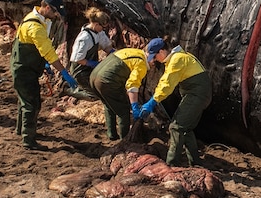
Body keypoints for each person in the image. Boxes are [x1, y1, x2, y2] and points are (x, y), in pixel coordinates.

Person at [11, 0, 78, 151]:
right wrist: (64, 72)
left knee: (24, 100)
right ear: (47, 7)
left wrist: (44, 64)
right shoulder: (35, 27)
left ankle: (21, 130)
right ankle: (28, 140)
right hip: (24, 69)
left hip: (27, 66)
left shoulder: (37, 18)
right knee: (31, 103)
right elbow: (48, 51)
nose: (56, 16)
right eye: (55, 12)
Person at [134, 38, 212, 167]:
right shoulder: (178, 57)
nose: (154, 60)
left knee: (176, 127)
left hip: (196, 95)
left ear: (162, 51)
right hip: (197, 95)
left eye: (155, 56)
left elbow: (167, 84)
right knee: (186, 128)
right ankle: (195, 162)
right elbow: (166, 82)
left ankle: (171, 163)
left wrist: (152, 102)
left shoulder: (177, 59)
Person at [90, 44, 151, 142]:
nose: (153, 63)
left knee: (109, 105)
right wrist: (134, 106)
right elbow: (132, 86)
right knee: (123, 112)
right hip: (106, 81)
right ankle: (125, 140)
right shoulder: (142, 64)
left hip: (93, 77)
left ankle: (112, 135)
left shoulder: (132, 51)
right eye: (153, 60)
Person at [68, 7, 114, 99]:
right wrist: (92, 63)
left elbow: (106, 46)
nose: (104, 29)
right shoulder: (84, 38)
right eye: (103, 27)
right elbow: (77, 59)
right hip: (81, 71)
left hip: (91, 69)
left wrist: (114, 53)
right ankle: (68, 89)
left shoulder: (98, 32)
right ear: (96, 24)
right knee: (94, 96)